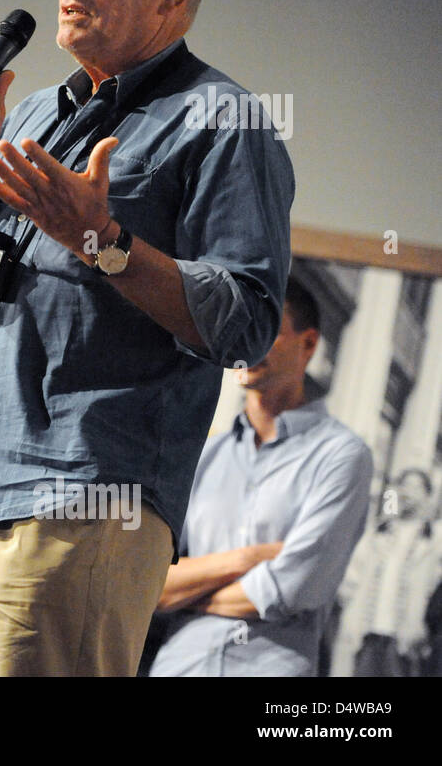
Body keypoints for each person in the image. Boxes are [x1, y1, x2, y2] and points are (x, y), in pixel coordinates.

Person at [0, 0, 295, 675]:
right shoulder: (29, 113)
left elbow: (248, 323)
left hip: (82, 502)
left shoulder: (224, 123)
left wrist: (102, 241)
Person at [148, 280, 372, 676]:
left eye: (265, 330)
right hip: (178, 667)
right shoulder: (205, 453)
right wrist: (251, 558)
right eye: (238, 330)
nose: (245, 344)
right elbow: (149, 583)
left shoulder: (341, 455)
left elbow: (295, 587)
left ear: (308, 344)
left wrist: (185, 589)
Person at [333, 468, 442, 676]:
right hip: (367, 632)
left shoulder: (434, 539)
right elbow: (351, 578)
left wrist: (426, 627)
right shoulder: (378, 533)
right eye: (404, 485)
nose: (408, 492)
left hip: (407, 639)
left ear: (427, 495)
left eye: (416, 487)